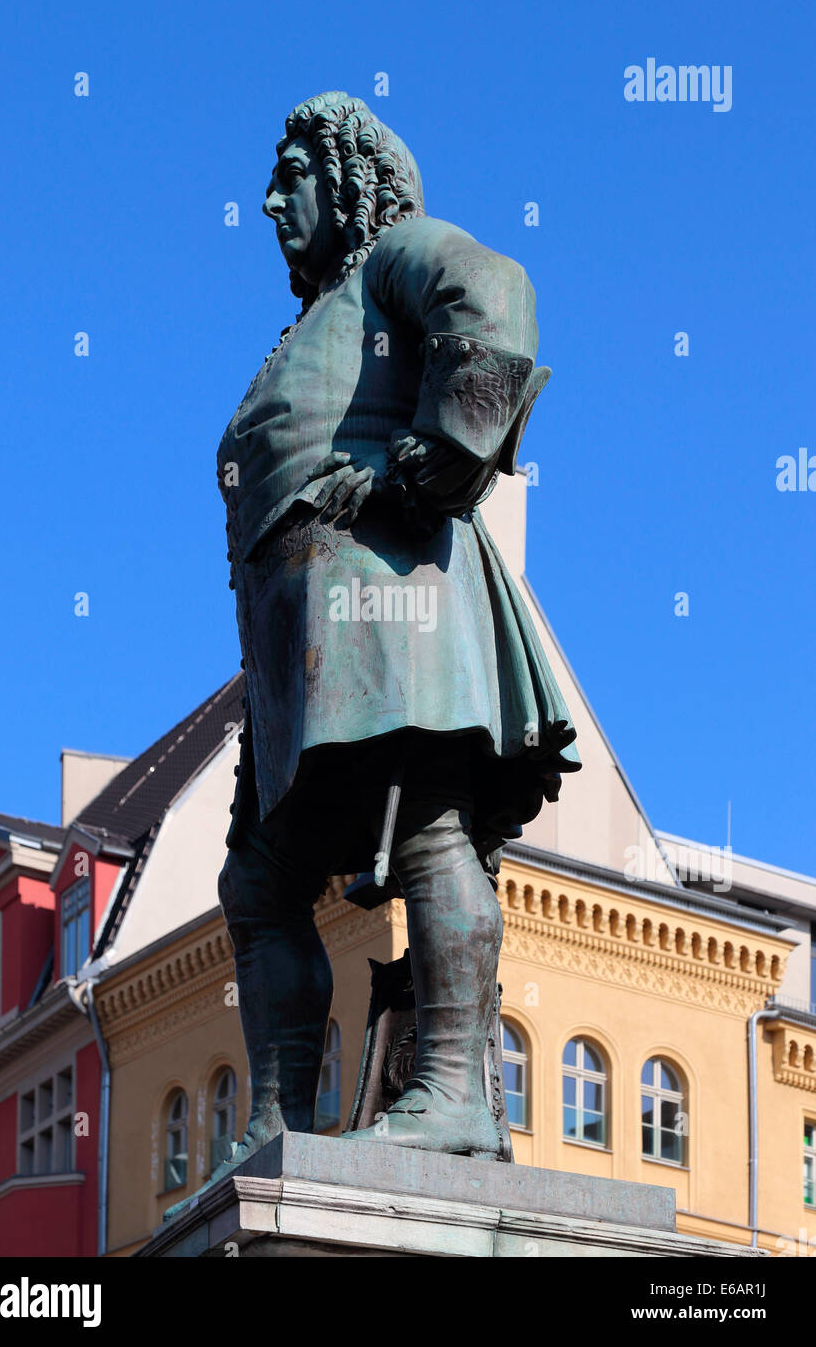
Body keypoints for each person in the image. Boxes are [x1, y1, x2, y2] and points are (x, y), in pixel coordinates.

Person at [165, 91, 579, 1219]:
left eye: (293, 170)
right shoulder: (311, 326)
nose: (267, 199)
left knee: (429, 816)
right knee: (257, 882)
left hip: (391, 595)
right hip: (296, 640)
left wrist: (431, 463)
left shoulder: (393, 259)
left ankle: (451, 1090)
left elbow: (493, 301)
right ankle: (279, 1117)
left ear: (347, 180)